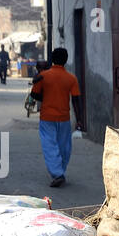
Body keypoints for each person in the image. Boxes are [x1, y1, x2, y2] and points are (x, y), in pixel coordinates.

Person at [36, 48, 86, 188]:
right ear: (66, 60)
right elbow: (76, 100)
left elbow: (36, 95)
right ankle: (60, 171)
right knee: (64, 147)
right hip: (64, 118)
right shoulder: (71, 78)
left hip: (47, 117)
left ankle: (57, 174)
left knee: (49, 145)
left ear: (52, 59)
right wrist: (79, 119)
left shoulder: (43, 76)